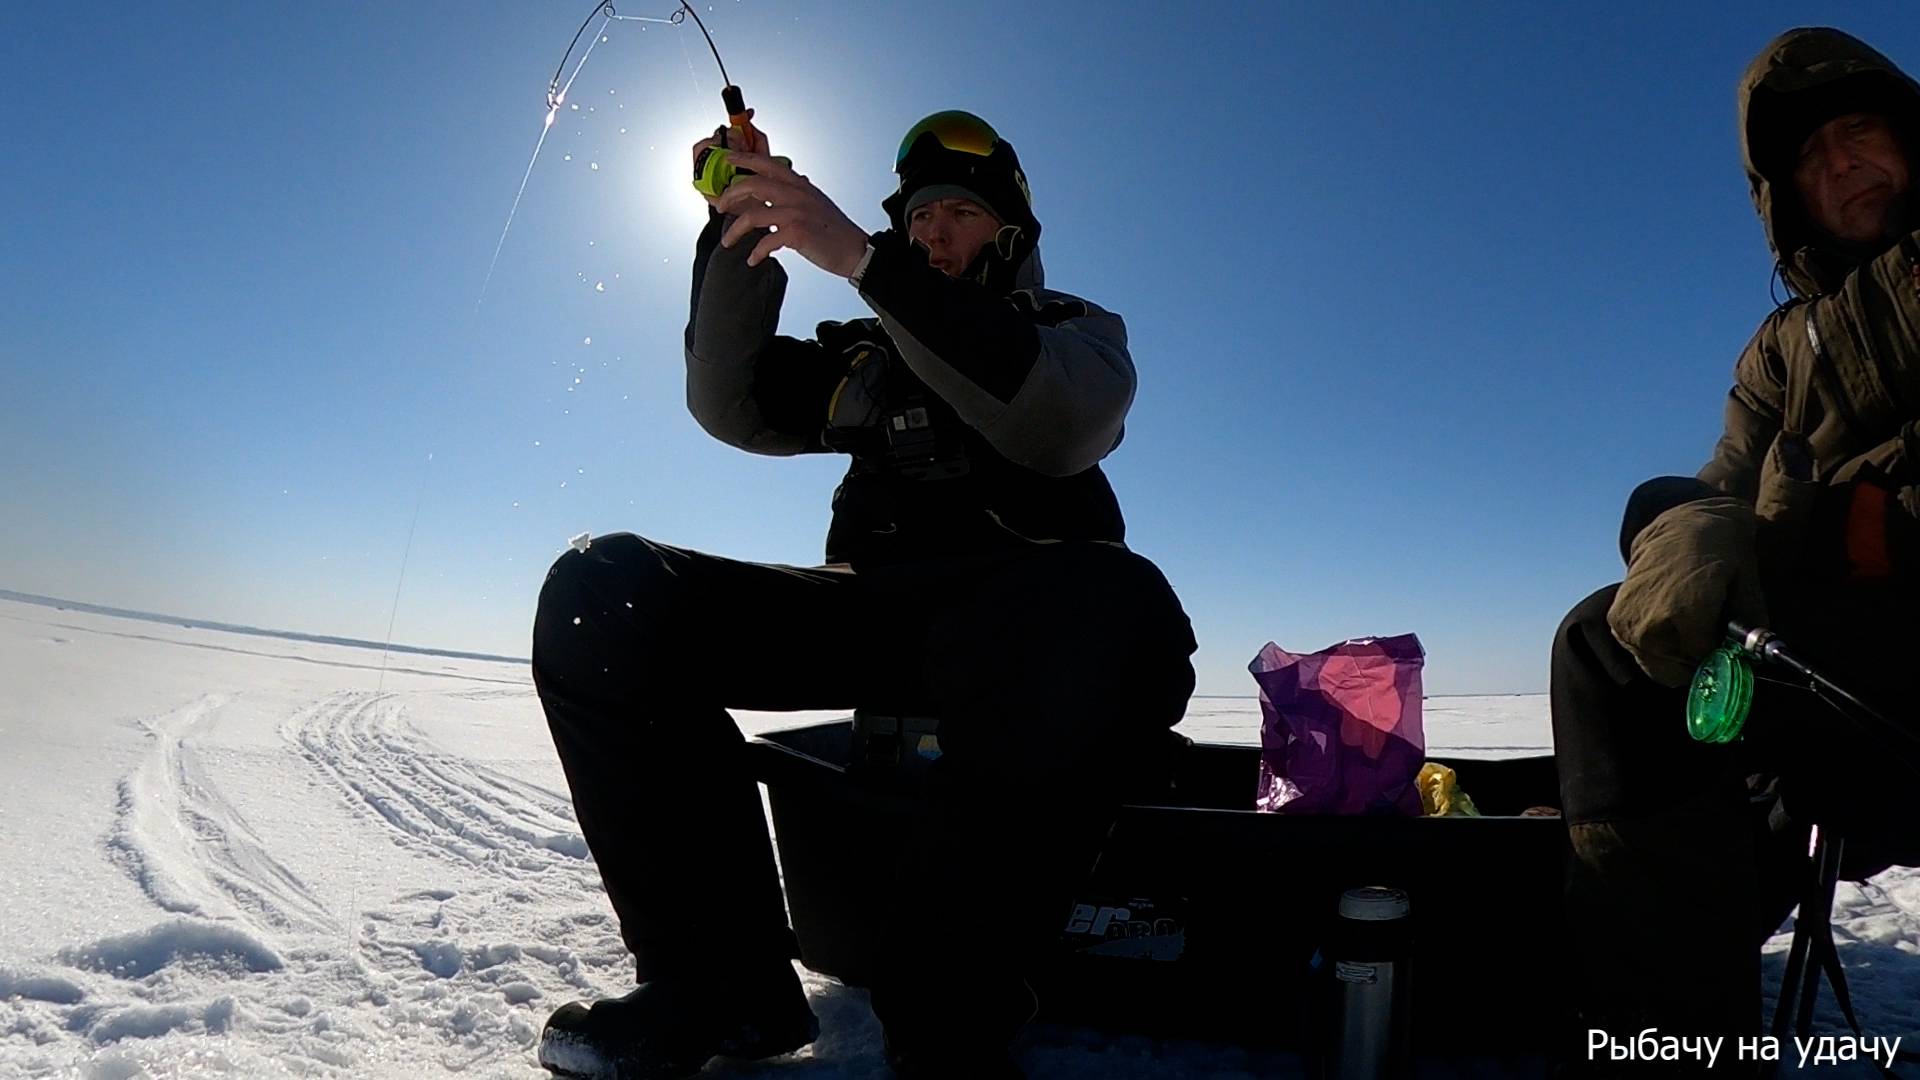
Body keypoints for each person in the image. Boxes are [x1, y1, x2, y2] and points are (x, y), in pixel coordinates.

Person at [529, 109, 1197, 1079]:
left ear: (1011, 233)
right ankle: (720, 993)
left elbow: (1058, 426)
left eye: (959, 212)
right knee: (605, 592)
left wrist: (863, 258)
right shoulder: (867, 352)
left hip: (1029, 644)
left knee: (1115, 597)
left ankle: (948, 1020)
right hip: (873, 613)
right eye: (919, 216)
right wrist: (737, 232)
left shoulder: (1075, 332)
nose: (931, 232)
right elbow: (734, 403)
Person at [1551, 26, 1920, 1067]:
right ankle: (1667, 1028)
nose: (1839, 163)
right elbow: (1727, 482)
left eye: (1860, 133)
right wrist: (1686, 531)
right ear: (1783, 195)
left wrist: (1853, 522)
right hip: (1827, 641)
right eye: (1808, 156)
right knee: (1614, 634)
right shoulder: (1780, 349)